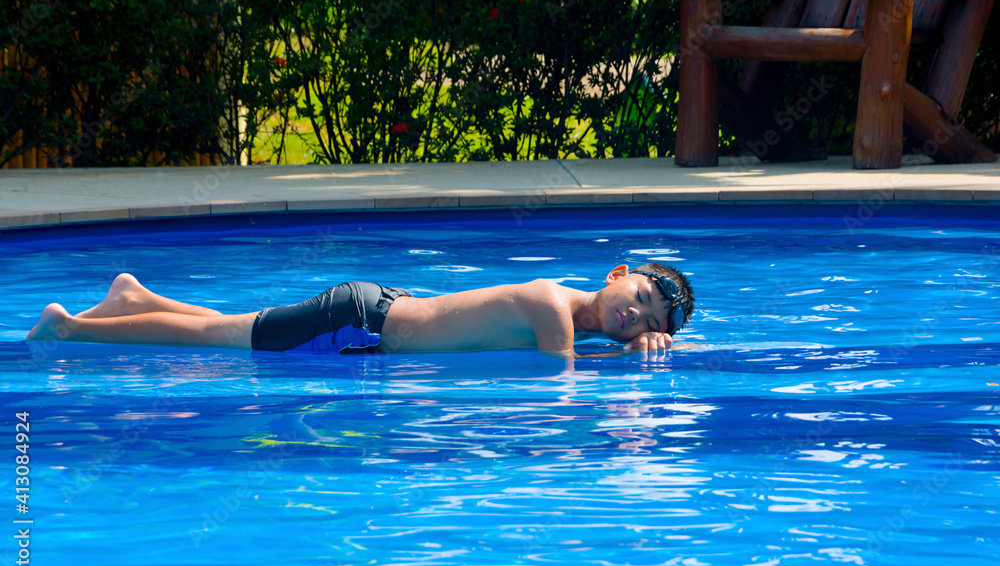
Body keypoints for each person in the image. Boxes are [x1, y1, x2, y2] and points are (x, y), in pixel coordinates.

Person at [25, 262, 695, 357]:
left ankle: (133, 300)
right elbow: (563, 393)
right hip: (359, 320)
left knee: (230, 326)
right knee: (214, 339)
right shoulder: (554, 307)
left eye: (652, 322)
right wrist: (638, 367)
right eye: (639, 296)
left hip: (378, 313)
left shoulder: (570, 309)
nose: (638, 318)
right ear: (617, 274)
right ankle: (76, 327)